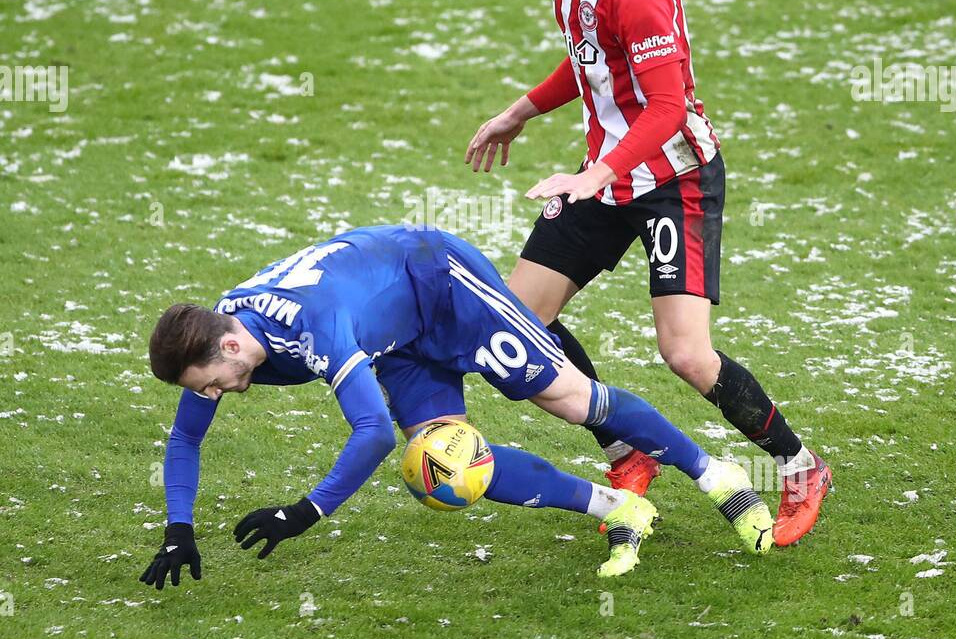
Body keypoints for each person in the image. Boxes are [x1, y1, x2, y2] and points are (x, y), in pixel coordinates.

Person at [465, 0, 831, 545]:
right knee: (514, 323)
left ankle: (799, 465)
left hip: (673, 179)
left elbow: (665, 109)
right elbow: (592, 59)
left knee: (686, 354)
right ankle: (627, 454)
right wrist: (520, 112)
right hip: (605, 173)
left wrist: (595, 174)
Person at [139, 224, 774, 589]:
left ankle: (722, 480)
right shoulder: (227, 337)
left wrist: (305, 512)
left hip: (439, 282)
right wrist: (177, 530)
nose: (212, 396)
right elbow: (185, 441)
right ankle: (623, 508)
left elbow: (370, 434)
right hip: (395, 333)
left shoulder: (313, 327)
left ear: (228, 343)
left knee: (569, 398)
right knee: (444, 462)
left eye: (212, 383)